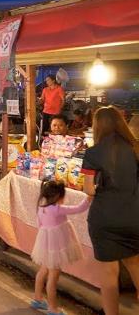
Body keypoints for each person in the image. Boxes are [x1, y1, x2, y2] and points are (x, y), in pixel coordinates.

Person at [82, 106, 139, 315]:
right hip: (134, 217)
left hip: (104, 220)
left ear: (98, 126)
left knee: (109, 277)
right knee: (135, 265)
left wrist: (98, 187)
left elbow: (88, 189)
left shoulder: (93, 153)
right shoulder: (136, 148)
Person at [29, 180, 92, 314]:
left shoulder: (41, 208)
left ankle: (37, 299)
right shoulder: (58, 209)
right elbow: (79, 208)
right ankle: (53, 308)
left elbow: (40, 226)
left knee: (42, 271)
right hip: (56, 247)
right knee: (53, 277)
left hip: (45, 245)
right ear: (60, 196)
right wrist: (89, 197)